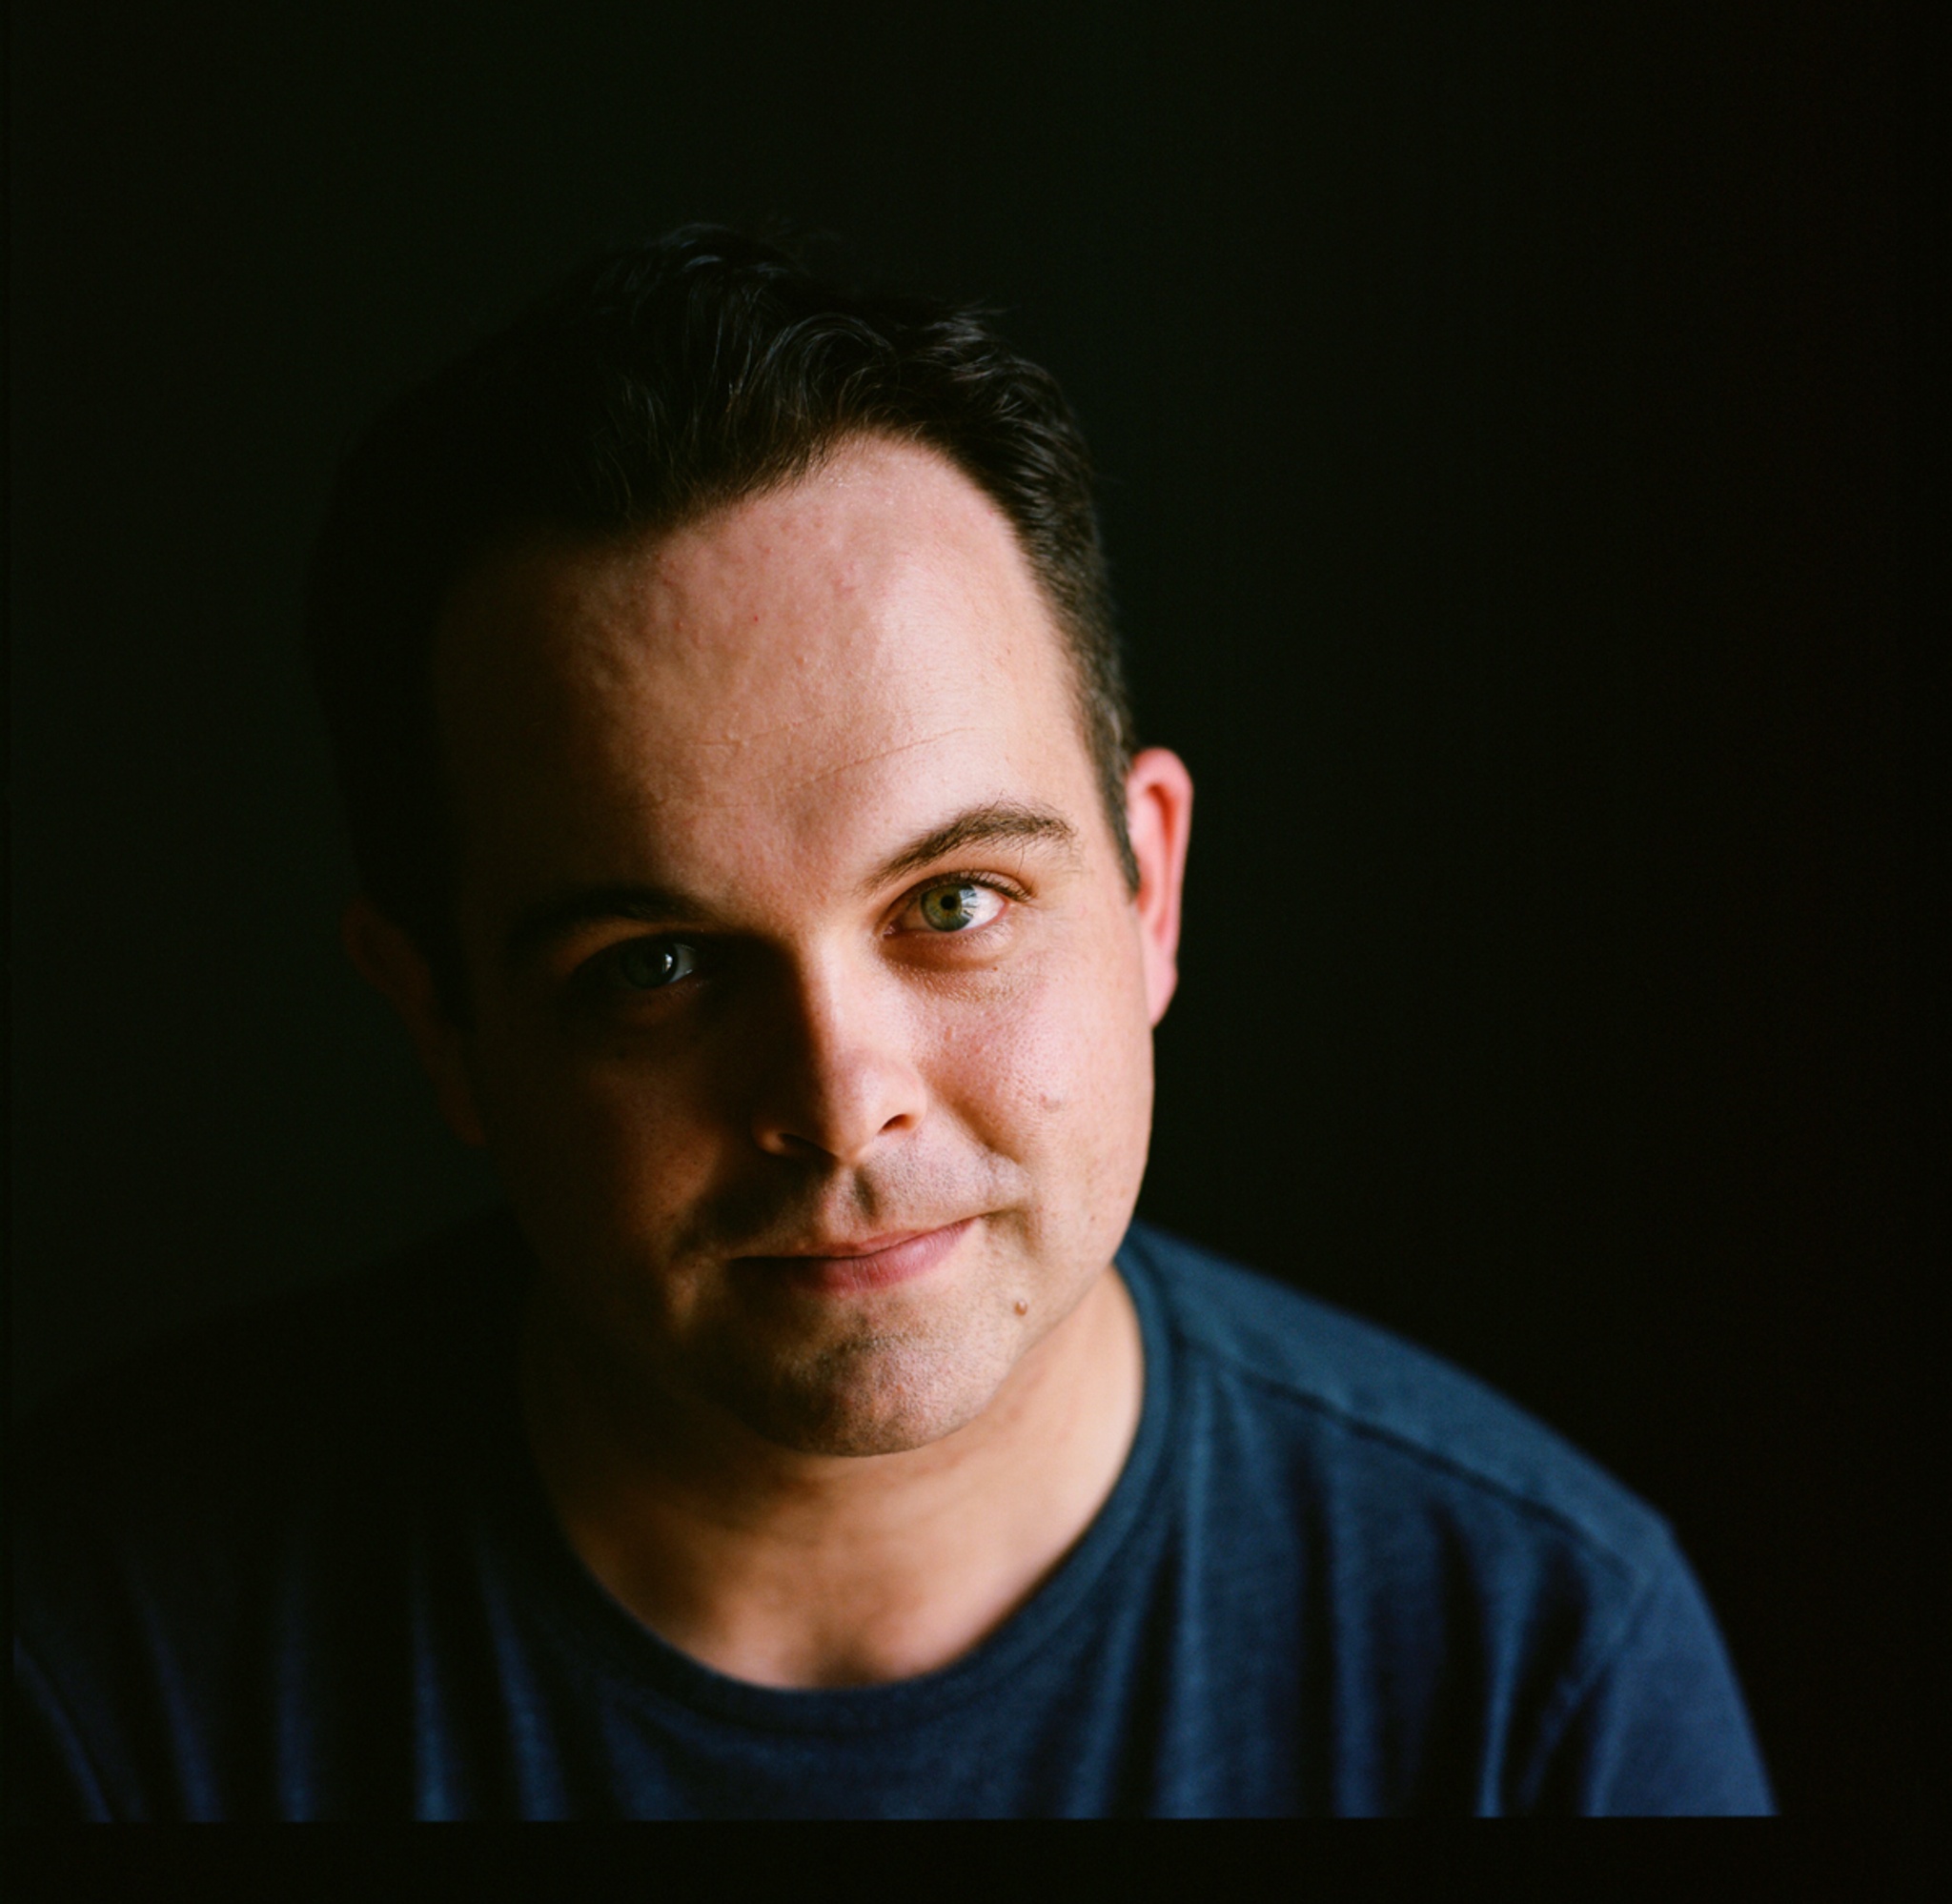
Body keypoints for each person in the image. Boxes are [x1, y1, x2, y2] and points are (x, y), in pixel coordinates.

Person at [10, 226, 1773, 1818]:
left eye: (953, 904)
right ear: (443, 1022)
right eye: (657, 964)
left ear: (1148, 889)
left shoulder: (1535, 1675)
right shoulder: (101, 1669)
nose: (844, 1106)